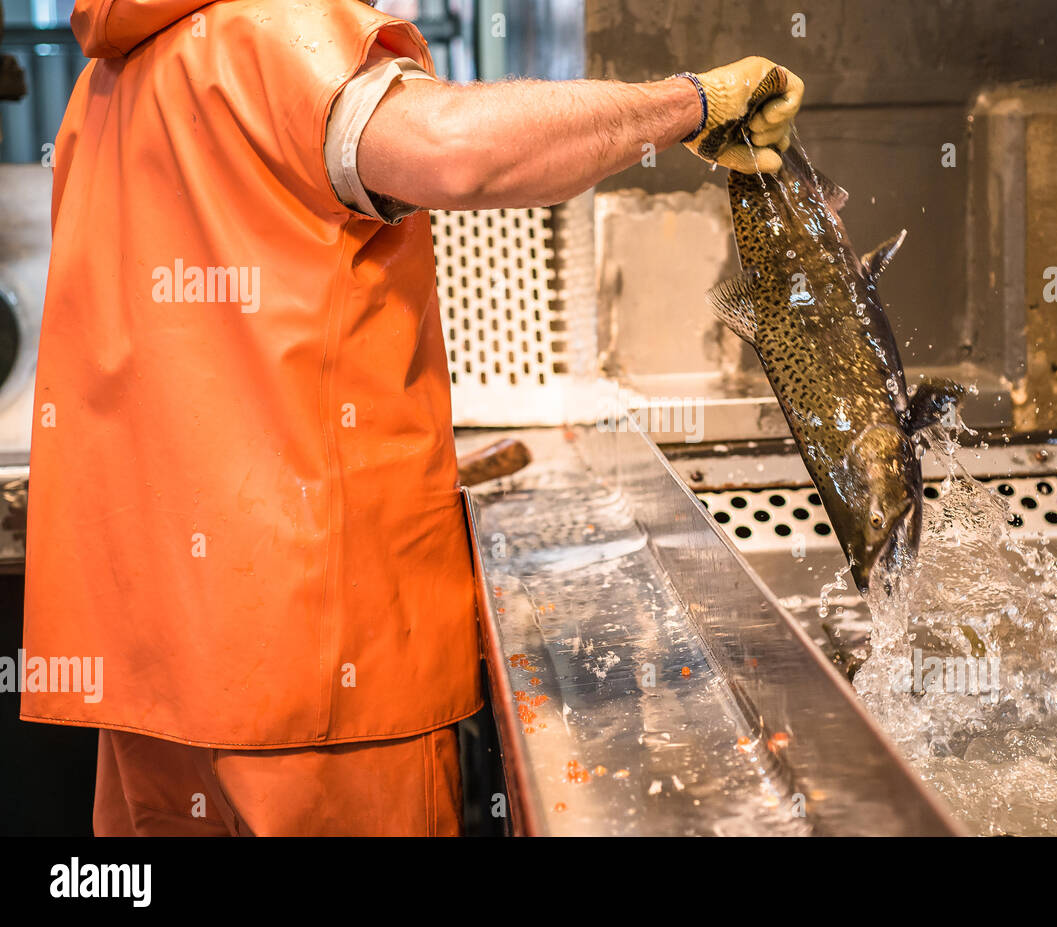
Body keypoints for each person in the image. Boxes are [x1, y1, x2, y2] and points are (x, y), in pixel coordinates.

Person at [20, 0, 803, 836]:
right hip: (316, 679)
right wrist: (693, 101)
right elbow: (455, 153)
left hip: (156, 675)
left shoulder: (109, 85)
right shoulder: (274, 33)